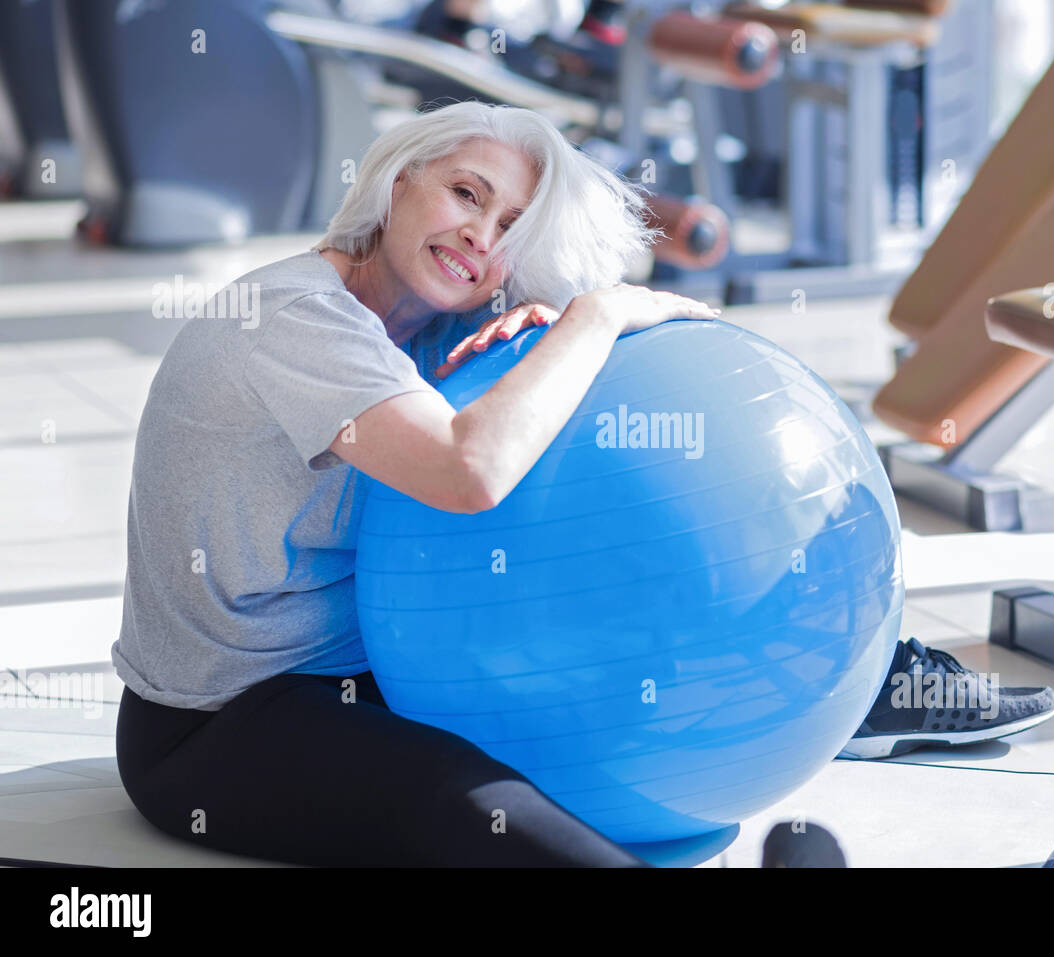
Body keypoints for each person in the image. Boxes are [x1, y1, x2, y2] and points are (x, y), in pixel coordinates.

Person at [112, 98, 849, 867]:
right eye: (468, 193)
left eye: (509, 230)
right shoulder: (296, 317)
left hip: (378, 660)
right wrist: (593, 318)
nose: (480, 234)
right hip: (217, 719)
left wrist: (538, 327)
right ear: (397, 183)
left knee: (589, 669)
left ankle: (877, 677)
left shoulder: (431, 327)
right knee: (453, 791)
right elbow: (470, 470)